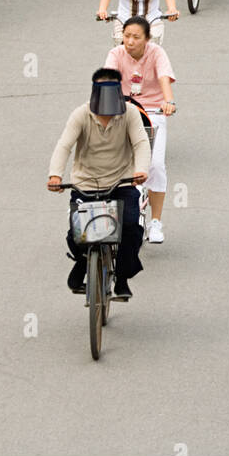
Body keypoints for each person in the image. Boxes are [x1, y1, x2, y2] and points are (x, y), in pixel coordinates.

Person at [48, 70, 150, 301]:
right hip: (85, 182)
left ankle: (122, 278)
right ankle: (83, 262)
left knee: (131, 227)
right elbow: (64, 145)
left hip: (121, 181)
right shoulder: (80, 115)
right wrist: (55, 175)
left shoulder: (130, 114)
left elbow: (141, 143)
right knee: (78, 233)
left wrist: (140, 170)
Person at [105, 17, 176, 243]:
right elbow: (108, 80)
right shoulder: (116, 54)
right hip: (123, 113)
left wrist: (168, 101)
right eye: (126, 36)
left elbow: (164, 77)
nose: (130, 41)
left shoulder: (156, 53)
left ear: (147, 39)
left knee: (155, 165)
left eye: (136, 37)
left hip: (153, 113)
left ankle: (155, 221)